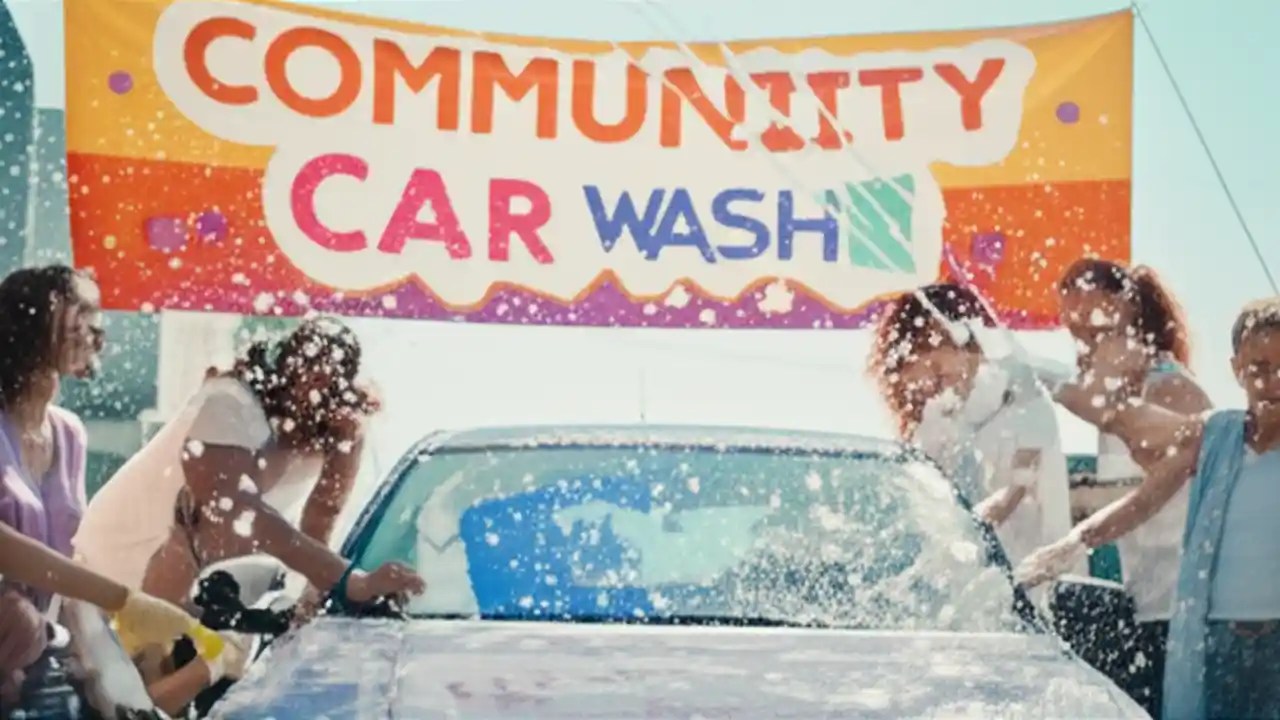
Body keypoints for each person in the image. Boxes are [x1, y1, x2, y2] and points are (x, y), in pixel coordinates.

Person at [73, 318, 424, 619]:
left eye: (325, 381)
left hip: (201, 588)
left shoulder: (329, 430)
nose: (309, 390)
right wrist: (351, 581)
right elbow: (234, 510)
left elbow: (319, 524)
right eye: (303, 370)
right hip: (110, 569)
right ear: (283, 366)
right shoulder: (229, 402)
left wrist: (311, 601)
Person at [1054, 298, 1280, 720]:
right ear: (1237, 370)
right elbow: (1145, 499)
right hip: (1218, 639)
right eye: (1260, 368)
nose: (1274, 381)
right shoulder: (1217, 435)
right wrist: (1072, 543)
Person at [1016, 259, 1211, 717]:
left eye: (1096, 330)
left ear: (1128, 315)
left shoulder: (1169, 390)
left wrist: (1072, 542)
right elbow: (1123, 490)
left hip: (1187, 605)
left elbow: (1150, 498)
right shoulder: (1123, 398)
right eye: (1075, 332)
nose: (1084, 345)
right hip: (1149, 599)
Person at [0, 266, 199, 706]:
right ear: (31, 322)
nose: (96, 328)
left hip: (35, 660)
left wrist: (111, 639)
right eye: (81, 312)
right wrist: (123, 600)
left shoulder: (68, 434)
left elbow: (67, 558)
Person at [866, 283, 1075, 570]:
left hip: (1033, 597)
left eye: (939, 373)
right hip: (965, 595)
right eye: (921, 392)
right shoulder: (939, 427)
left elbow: (1008, 498)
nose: (937, 391)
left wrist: (949, 539)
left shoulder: (1023, 405)